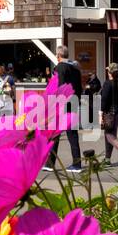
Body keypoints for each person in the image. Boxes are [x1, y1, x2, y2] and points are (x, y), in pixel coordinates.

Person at [43, 46, 83, 174]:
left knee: (54, 134)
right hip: (74, 103)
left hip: (62, 104)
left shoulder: (60, 67)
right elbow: (79, 88)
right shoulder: (76, 69)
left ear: (58, 56)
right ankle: (77, 164)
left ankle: (50, 163)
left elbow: (58, 86)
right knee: (72, 134)